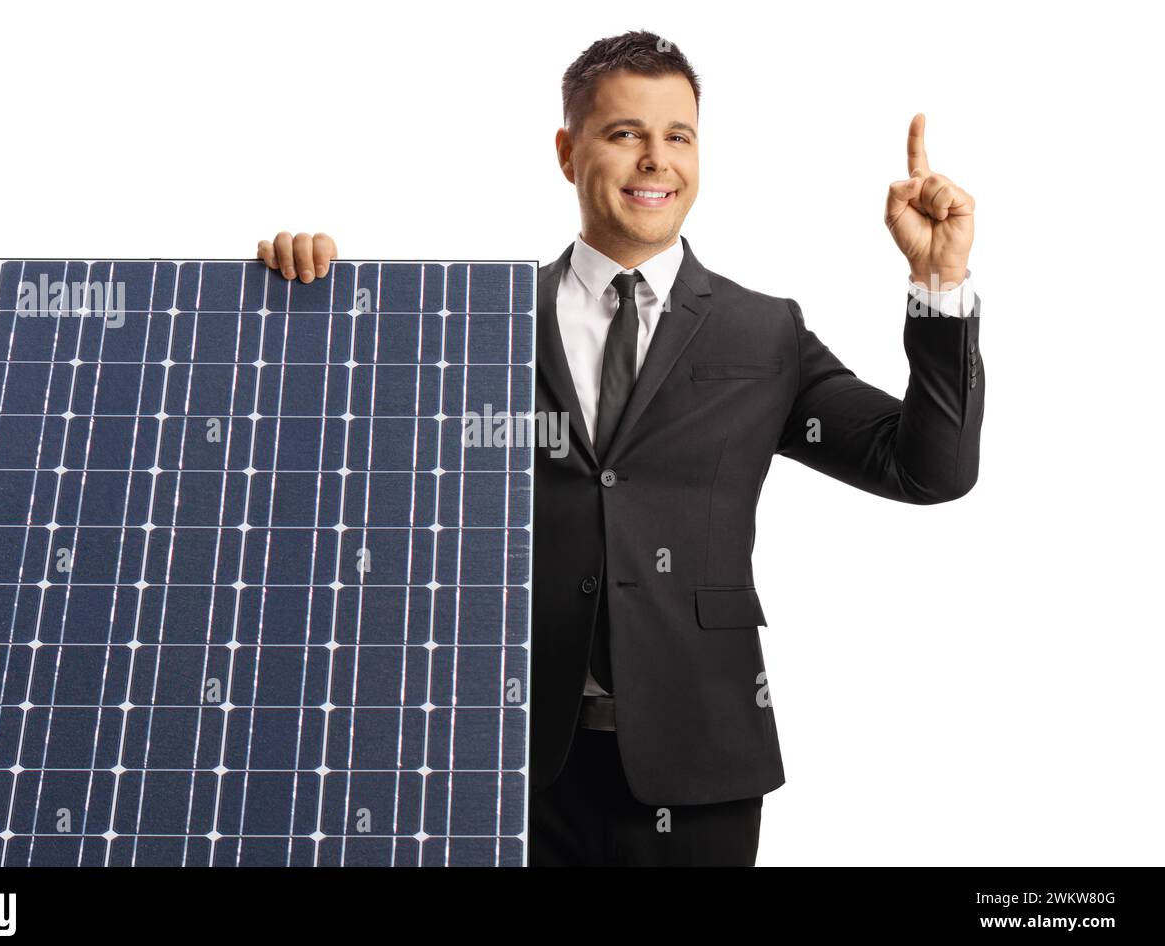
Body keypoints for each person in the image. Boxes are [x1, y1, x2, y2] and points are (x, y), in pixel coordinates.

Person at [256, 29, 983, 866]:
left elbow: (929, 469)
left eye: (678, 136)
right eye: (624, 133)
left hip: (699, 767)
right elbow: (329, 479)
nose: (655, 160)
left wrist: (939, 287)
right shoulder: (473, 323)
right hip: (503, 763)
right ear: (568, 153)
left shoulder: (763, 332)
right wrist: (297, 314)